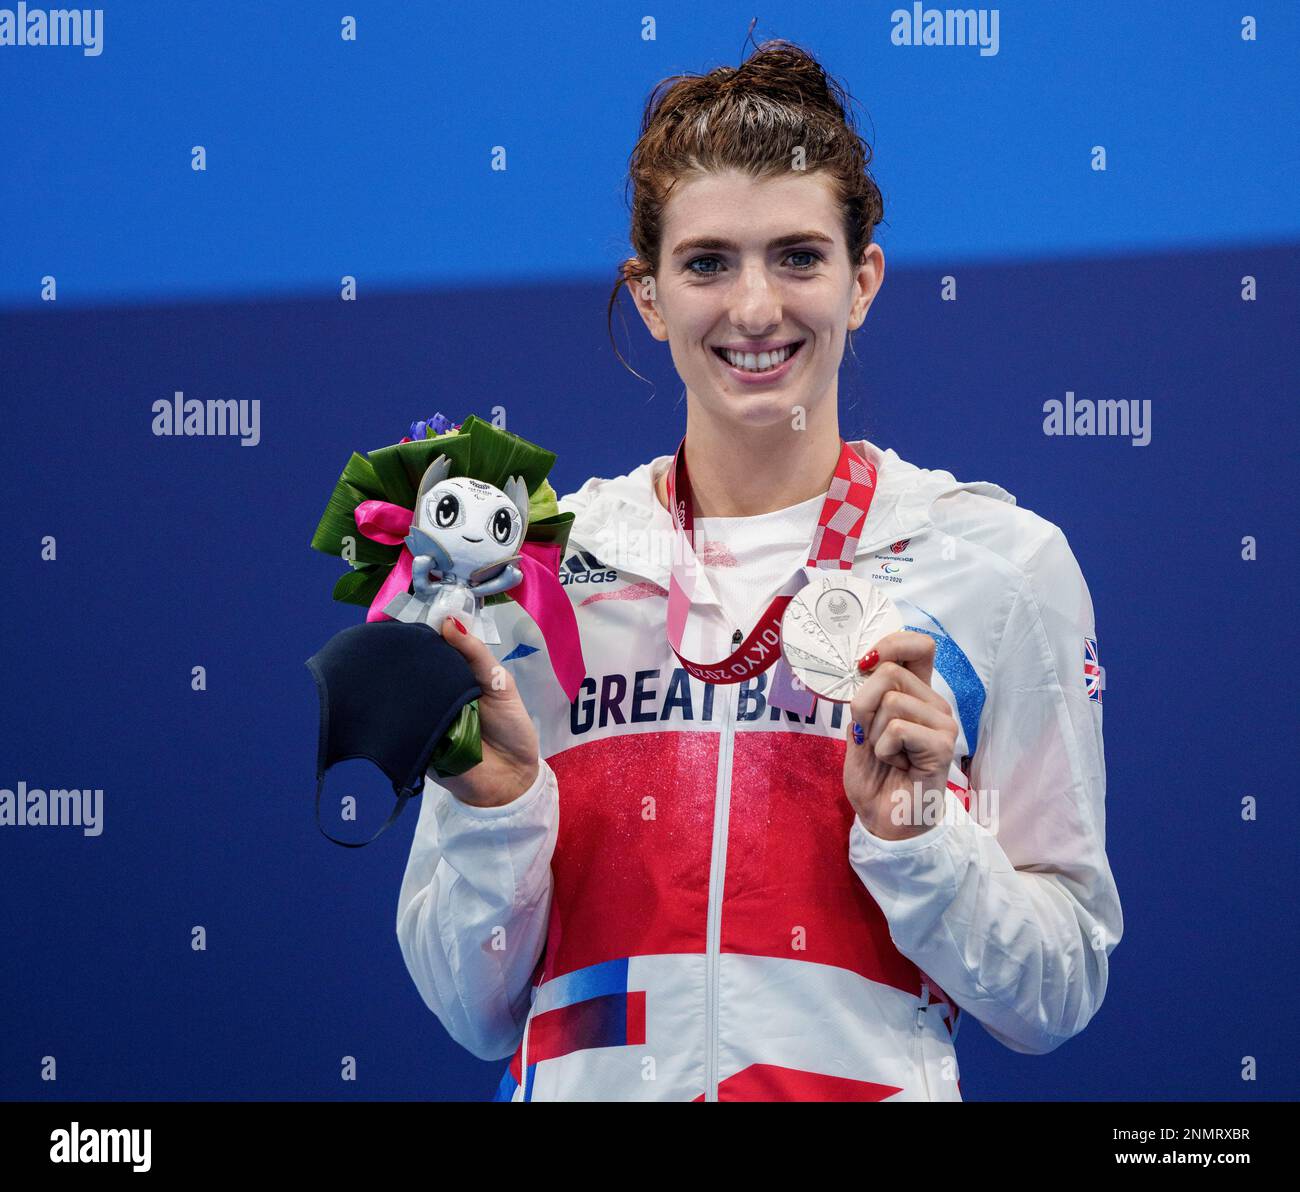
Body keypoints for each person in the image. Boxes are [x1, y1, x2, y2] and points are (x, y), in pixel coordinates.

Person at [396, 38, 1122, 1102]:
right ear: (645, 295)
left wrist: (918, 839)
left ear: (861, 279)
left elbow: (1058, 991)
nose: (751, 308)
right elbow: (472, 1008)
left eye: (797, 256)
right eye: (705, 263)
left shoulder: (997, 566)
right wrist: (497, 808)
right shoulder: (537, 573)